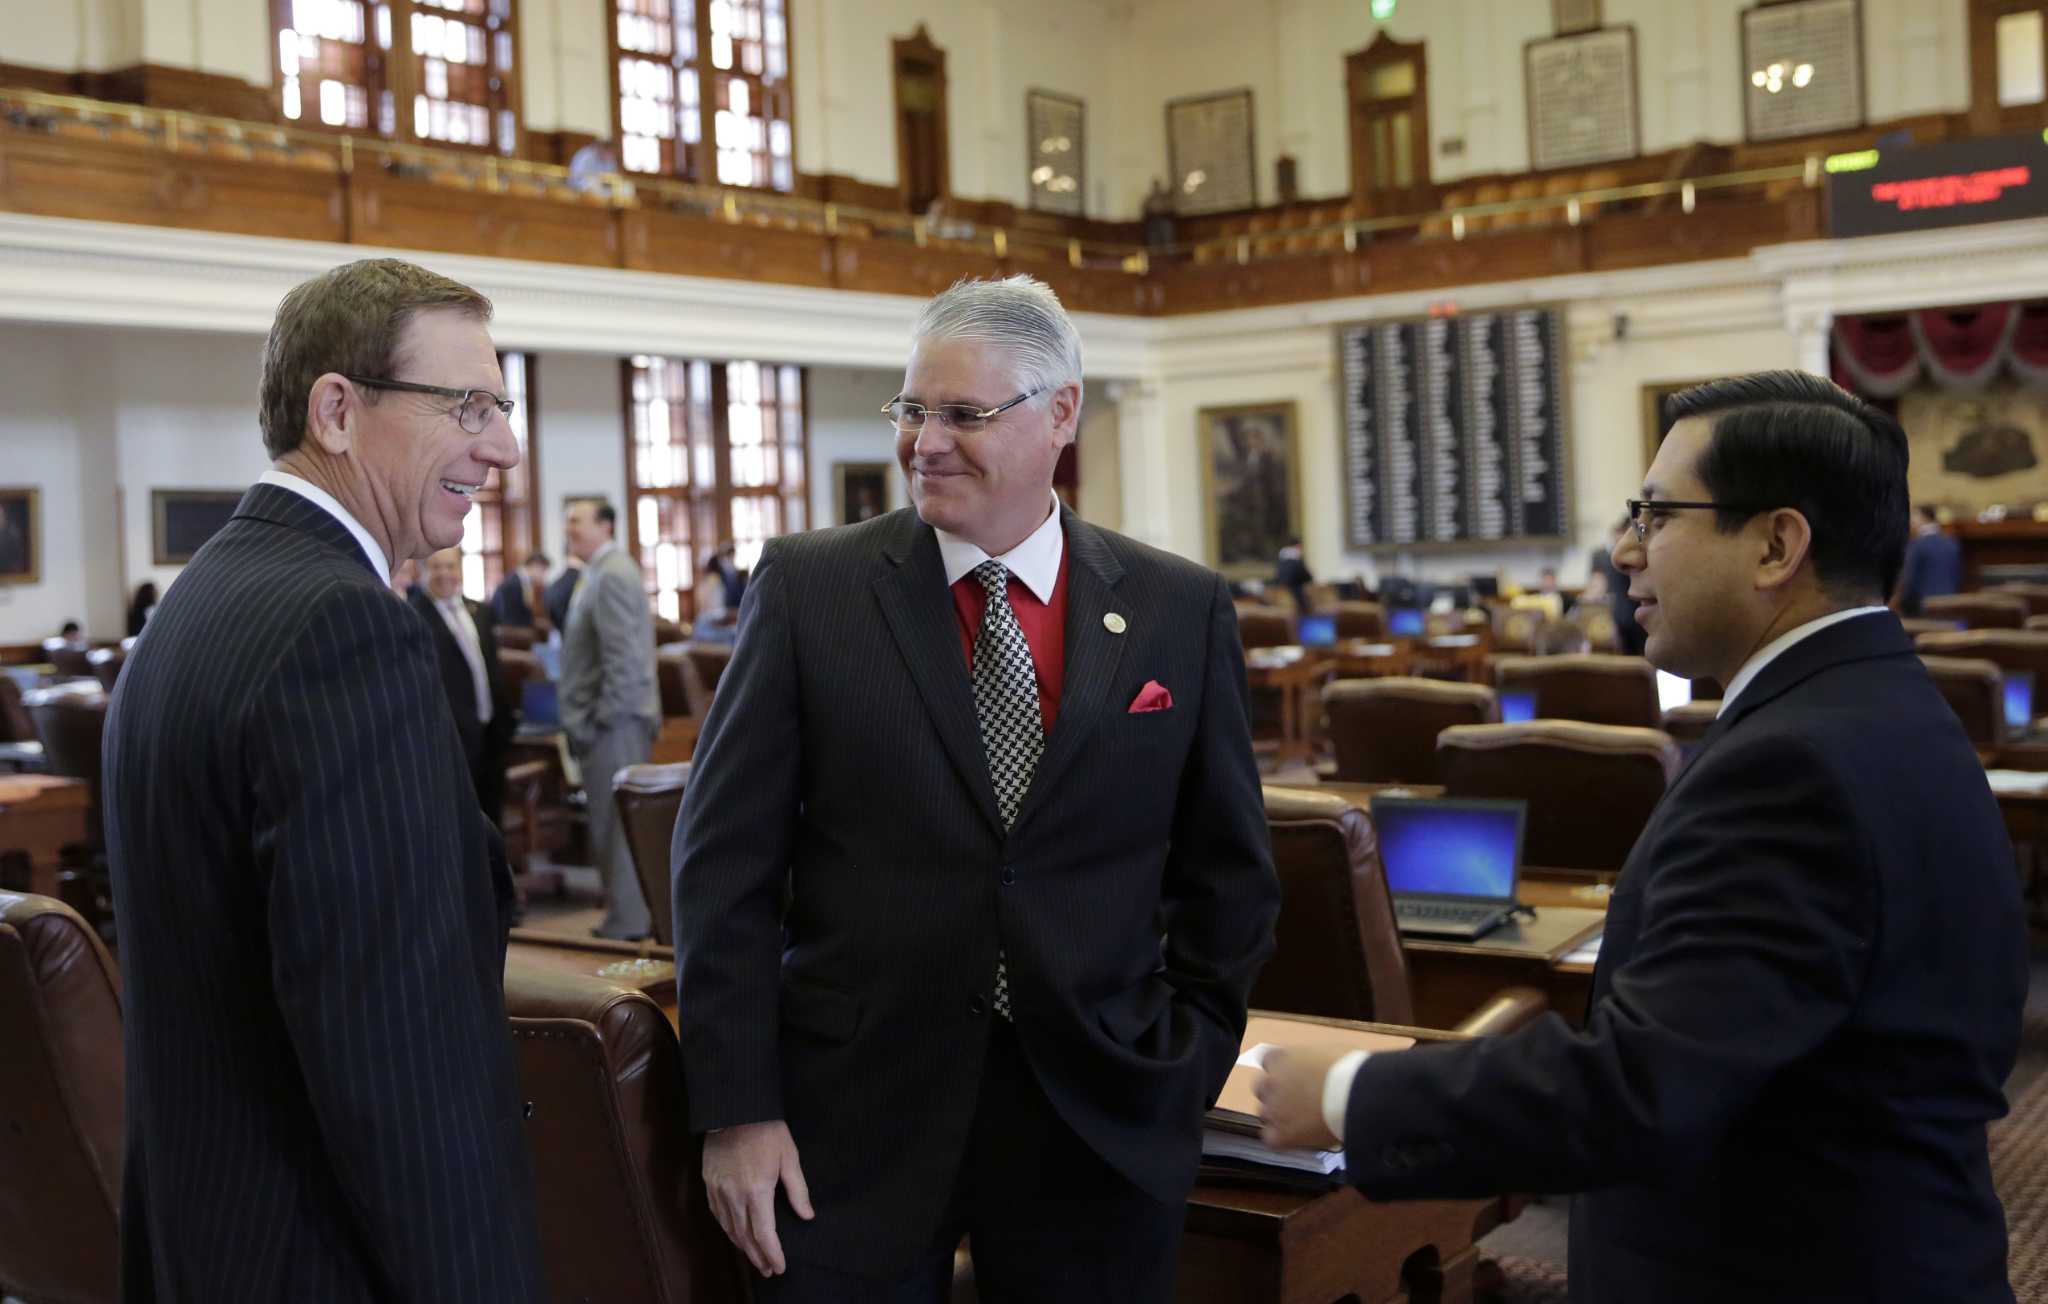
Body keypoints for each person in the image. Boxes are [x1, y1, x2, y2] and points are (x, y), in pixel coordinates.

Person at [1256, 371, 2027, 1304]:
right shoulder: (1873, 701)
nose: (1625, 551)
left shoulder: (1796, 764)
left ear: (1776, 544)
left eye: (1656, 515)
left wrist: (1348, 1090)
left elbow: (1645, 1087)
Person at [673, 274, 1279, 1301]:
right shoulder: (811, 588)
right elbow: (722, 869)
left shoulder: (1178, 607)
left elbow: (1229, 876)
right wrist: (738, 1109)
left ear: (1060, 413)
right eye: (912, 409)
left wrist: (1183, 1063)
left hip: (1098, 1115)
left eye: (963, 413)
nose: (926, 442)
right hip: (849, 1119)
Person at [100, 257, 545, 1300]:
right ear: (337, 411)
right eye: (468, 405)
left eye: (504, 407)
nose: (503, 446)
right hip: (321, 1261)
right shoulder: (341, 628)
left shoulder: (206, 592)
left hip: (213, 1243)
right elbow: (397, 1059)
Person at [560, 498, 659, 940]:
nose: (570, 529)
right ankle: (625, 917)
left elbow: (624, 659)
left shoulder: (613, 572)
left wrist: (600, 721)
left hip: (615, 726)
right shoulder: (599, 571)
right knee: (610, 823)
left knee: (618, 827)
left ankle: (628, 925)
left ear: (606, 526)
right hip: (609, 724)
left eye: (577, 521)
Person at [413, 546, 517, 825]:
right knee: (462, 820)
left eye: (450, 566)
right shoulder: (413, 616)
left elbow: (492, 669)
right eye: (436, 567)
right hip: (450, 737)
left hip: (490, 732)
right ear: (422, 572)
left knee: (493, 813)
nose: (444, 574)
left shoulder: (480, 612)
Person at [1589, 515, 1645, 655]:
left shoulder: (1610, 555)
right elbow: (1599, 584)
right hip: (1625, 612)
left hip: (1631, 611)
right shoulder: (1606, 556)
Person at [1896, 502, 1962, 616]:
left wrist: (1901, 604)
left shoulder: (1916, 545)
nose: (1910, 521)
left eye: (1914, 516)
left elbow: (1910, 581)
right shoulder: (1952, 543)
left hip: (1923, 610)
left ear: (1924, 518)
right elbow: (1957, 576)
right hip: (1950, 606)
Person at [491, 550, 553, 633]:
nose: (544, 576)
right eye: (544, 571)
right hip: (506, 628)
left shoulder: (522, 580)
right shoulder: (513, 583)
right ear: (535, 566)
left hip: (512, 625)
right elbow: (510, 616)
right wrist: (535, 622)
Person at [1274, 536, 1313, 614]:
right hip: (1293, 589)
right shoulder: (1295, 558)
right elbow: (1307, 576)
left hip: (1281, 588)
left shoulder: (1282, 558)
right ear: (1297, 545)